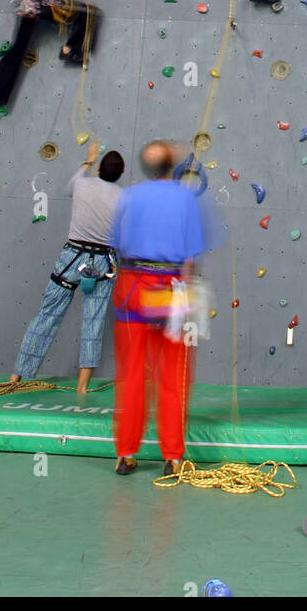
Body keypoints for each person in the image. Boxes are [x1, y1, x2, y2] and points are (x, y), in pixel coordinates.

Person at [110, 140, 205, 477]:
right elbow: (190, 257)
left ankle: (125, 452)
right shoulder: (184, 198)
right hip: (168, 288)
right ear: (172, 166)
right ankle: (173, 456)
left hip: (131, 288)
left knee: (132, 374)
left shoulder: (129, 197)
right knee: (171, 375)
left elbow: (116, 244)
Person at [10, 141, 124, 395]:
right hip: (103, 263)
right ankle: (82, 386)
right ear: (120, 175)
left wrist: (89, 159)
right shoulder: (123, 197)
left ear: (99, 169)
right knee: (93, 322)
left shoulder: (83, 183)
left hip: (72, 258)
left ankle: (16, 376)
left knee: (47, 315)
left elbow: (71, 183)